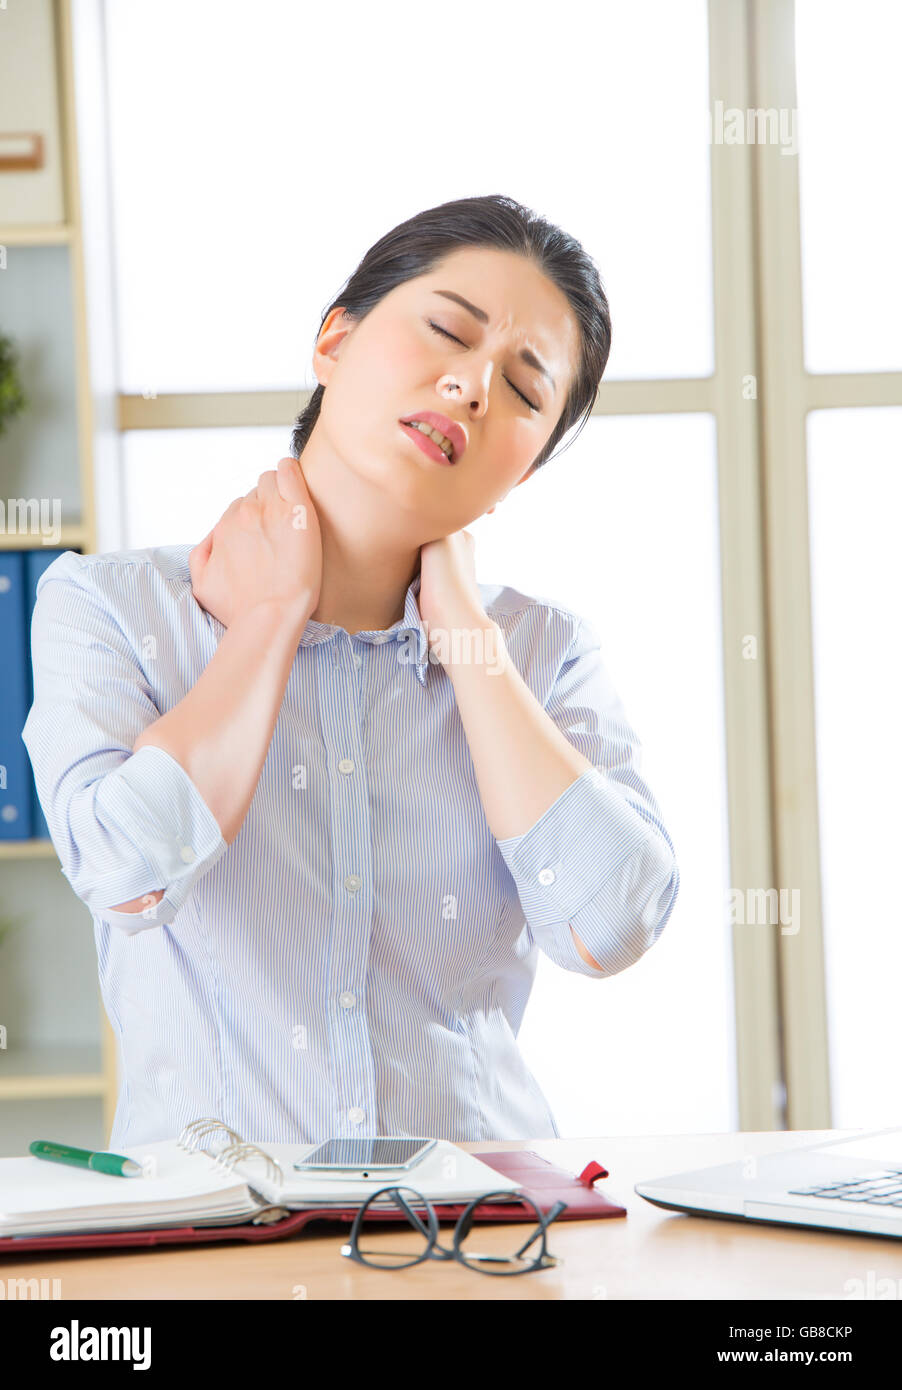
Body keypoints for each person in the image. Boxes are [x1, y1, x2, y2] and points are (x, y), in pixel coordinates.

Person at [23, 194, 680, 1149]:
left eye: (525, 392)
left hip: (478, 1233)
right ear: (334, 341)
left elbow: (610, 925)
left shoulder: (544, 652)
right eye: (447, 333)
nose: (471, 387)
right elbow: (124, 876)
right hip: (213, 1240)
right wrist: (270, 624)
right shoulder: (113, 608)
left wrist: (466, 639)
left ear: (523, 472)